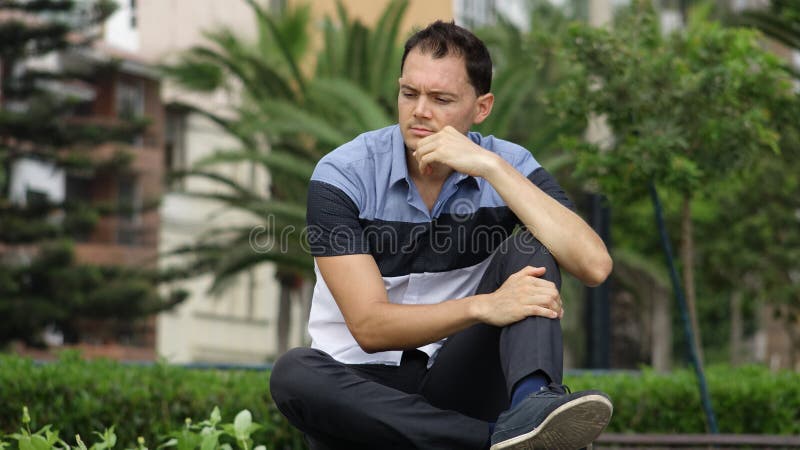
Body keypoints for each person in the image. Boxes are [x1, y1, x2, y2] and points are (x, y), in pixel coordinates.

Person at [270, 20, 614, 450]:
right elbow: (370, 326)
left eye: (441, 99)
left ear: (482, 107)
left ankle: (533, 405)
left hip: (456, 377)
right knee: (294, 373)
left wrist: (492, 168)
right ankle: (503, 440)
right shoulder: (344, 175)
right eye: (409, 93)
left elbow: (594, 265)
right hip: (360, 392)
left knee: (533, 246)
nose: (419, 111)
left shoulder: (509, 165)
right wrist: (485, 306)